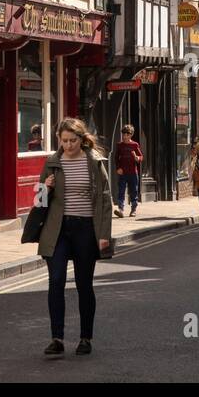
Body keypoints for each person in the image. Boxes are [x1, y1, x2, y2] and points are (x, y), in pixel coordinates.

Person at [38, 117, 112, 357]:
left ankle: (85, 338)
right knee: (56, 281)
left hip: (85, 229)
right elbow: (38, 203)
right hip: (57, 229)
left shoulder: (94, 162)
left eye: (73, 140)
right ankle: (56, 338)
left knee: (83, 284)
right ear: (59, 139)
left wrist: (103, 235)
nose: (68, 145)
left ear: (82, 139)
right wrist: (45, 189)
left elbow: (104, 200)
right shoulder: (52, 163)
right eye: (64, 140)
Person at [113, 125, 143, 218]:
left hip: (133, 173)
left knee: (133, 191)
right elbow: (116, 158)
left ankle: (133, 209)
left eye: (127, 134)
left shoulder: (135, 145)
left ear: (131, 135)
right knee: (121, 191)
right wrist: (118, 168)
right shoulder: (120, 145)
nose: (125, 136)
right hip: (123, 172)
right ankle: (120, 209)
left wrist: (137, 157)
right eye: (123, 134)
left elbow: (141, 157)